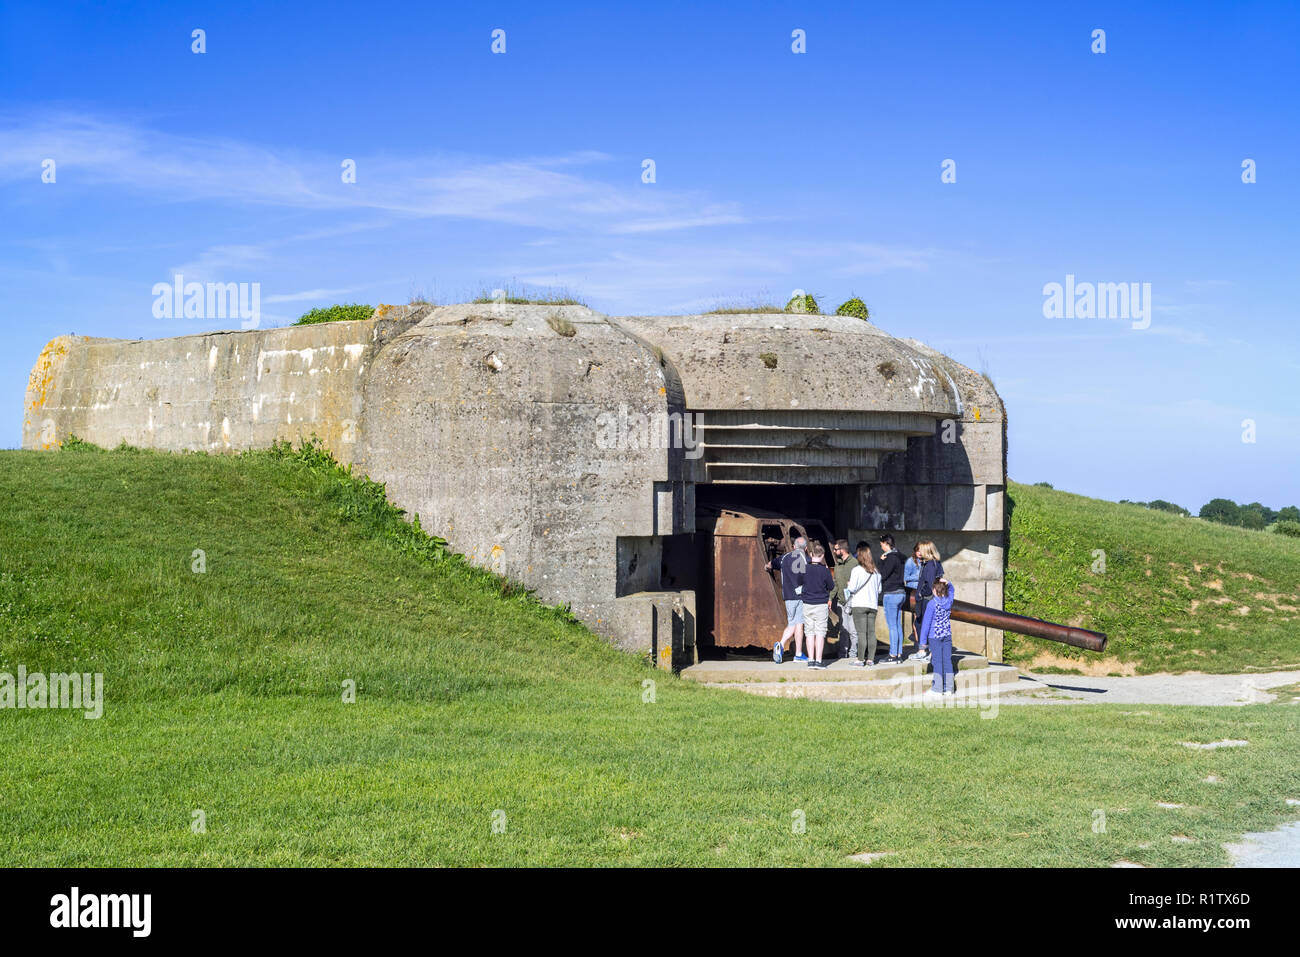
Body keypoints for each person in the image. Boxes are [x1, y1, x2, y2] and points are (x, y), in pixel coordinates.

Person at [771, 536, 808, 663]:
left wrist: (766, 567)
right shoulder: (805, 559)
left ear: (793, 547)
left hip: (788, 597)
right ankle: (780, 645)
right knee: (797, 625)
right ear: (806, 548)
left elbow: (771, 564)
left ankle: (798, 653)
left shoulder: (785, 558)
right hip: (801, 597)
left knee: (796, 623)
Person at [800, 542, 835, 669]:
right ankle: (819, 661)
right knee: (820, 633)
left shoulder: (804, 568)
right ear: (822, 555)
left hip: (807, 604)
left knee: (809, 633)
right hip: (821, 604)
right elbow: (831, 586)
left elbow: (799, 582)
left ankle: (810, 660)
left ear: (810, 554)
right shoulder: (824, 570)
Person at [845, 545, 881, 667]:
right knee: (871, 632)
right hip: (872, 605)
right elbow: (879, 589)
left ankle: (860, 659)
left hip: (859, 604)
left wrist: (849, 584)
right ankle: (870, 659)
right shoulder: (876, 572)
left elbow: (851, 588)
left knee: (861, 633)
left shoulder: (856, 570)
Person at [920, 578, 956, 696]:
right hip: (947, 635)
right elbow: (952, 590)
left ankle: (937, 689)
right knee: (947, 661)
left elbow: (926, 624)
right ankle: (949, 688)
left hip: (934, 636)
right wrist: (948, 583)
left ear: (934, 590)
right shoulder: (948, 601)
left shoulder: (932, 604)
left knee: (937, 662)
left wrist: (922, 643)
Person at [910, 541, 944, 663]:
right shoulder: (935, 563)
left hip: (927, 599)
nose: (919, 552)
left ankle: (929, 653)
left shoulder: (930, 565)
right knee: (921, 623)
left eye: (921, 550)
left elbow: (929, 585)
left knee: (924, 625)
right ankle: (923, 651)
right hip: (931, 599)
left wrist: (920, 593)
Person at [878, 533, 906, 662]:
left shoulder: (890, 558)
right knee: (897, 625)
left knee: (892, 626)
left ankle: (893, 654)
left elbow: (883, 575)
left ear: (886, 544)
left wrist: (881, 561)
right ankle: (899, 653)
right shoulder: (901, 557)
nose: (881, 547)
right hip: (901, 593)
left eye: (882, 544)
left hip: (891, 593)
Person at [830, 539, 858, 659]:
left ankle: (853, 654)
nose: (834, 551)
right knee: (843, 629)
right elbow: (836, 584)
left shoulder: (855, 564)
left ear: (842, 550)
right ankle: (843, 654)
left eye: (836, 549)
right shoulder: (838, 565)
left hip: (853, 602)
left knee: (853, 630)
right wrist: (830, 597)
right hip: (841, 602)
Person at [903, 543, 921, 645]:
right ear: (915, 551)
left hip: (921, 592)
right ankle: (917, 640)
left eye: (921, 551)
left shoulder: (923, 561)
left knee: (920, 617)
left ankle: (918, 639)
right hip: (913, 591)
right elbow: (906, 577)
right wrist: (918, 576)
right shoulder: (910, 562)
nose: (920, 553)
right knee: (916, 616)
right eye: (918, 551)